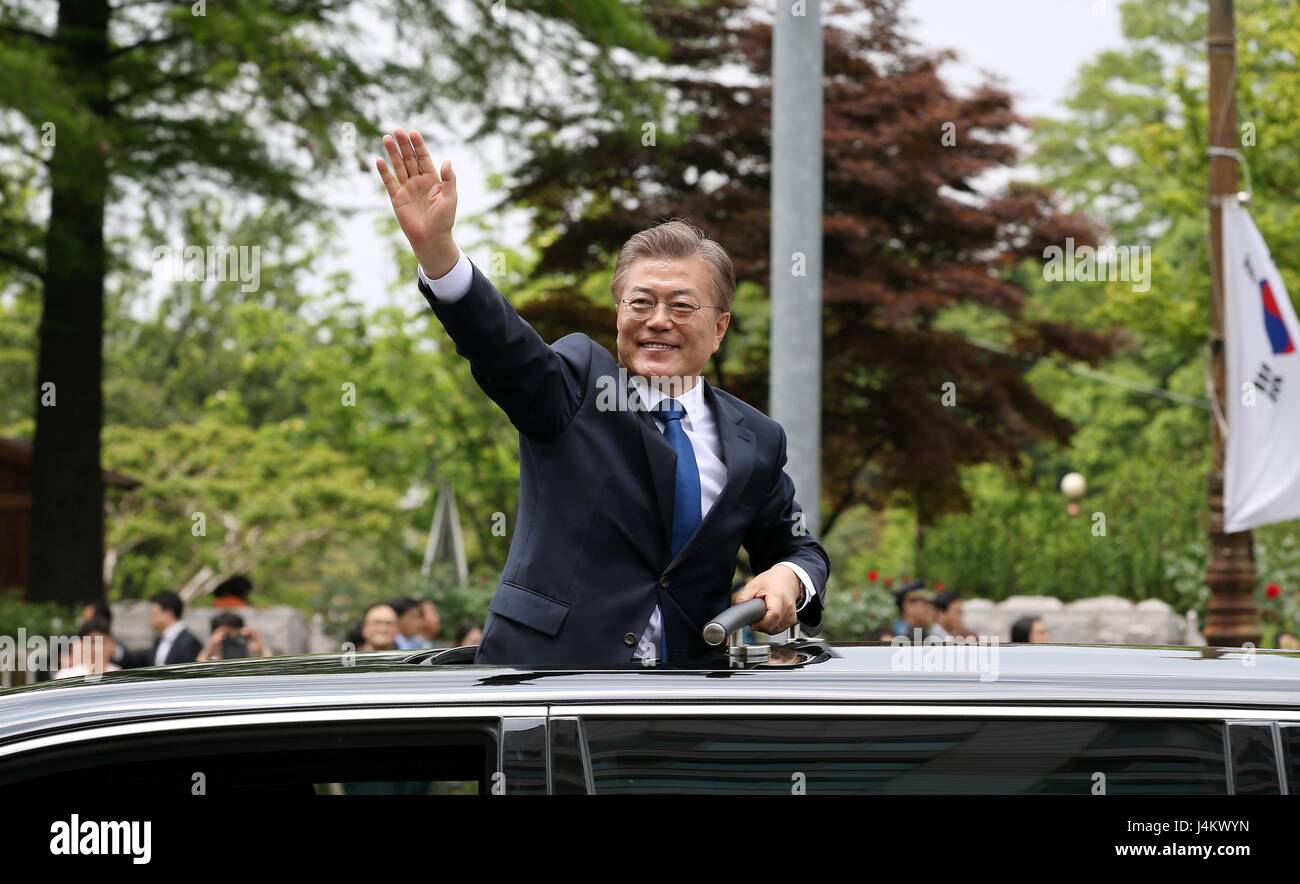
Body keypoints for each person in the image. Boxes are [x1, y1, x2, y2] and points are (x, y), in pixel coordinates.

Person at [375, 129, 830, 665]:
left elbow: (798, 545)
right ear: (619, 313)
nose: (657, 321)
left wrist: (790, 576)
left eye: (682, 306)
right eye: (641, 302)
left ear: (720, 327)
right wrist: (438, 252)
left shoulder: (757, 439)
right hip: (549, 694)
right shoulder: (577, 383)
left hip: (684, 705)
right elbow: (502, 347)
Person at [123, 590, 202, 667]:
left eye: (153, 613)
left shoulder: (190, 643)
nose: (150, 618)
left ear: (168, 613)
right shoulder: (159, 640)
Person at [54, 618, 120, 680]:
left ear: (112, 644)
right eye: (91, 642)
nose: (96, 649)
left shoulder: (121, 678)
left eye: (102, 642)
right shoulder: (65, 677)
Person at [197, 612, 273, 662]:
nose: (230, 640)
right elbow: (199, 666)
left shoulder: (248, 646)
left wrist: (259, 645)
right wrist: (211, 647)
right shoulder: (213, 649)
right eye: (225, 635)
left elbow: (269, 663)